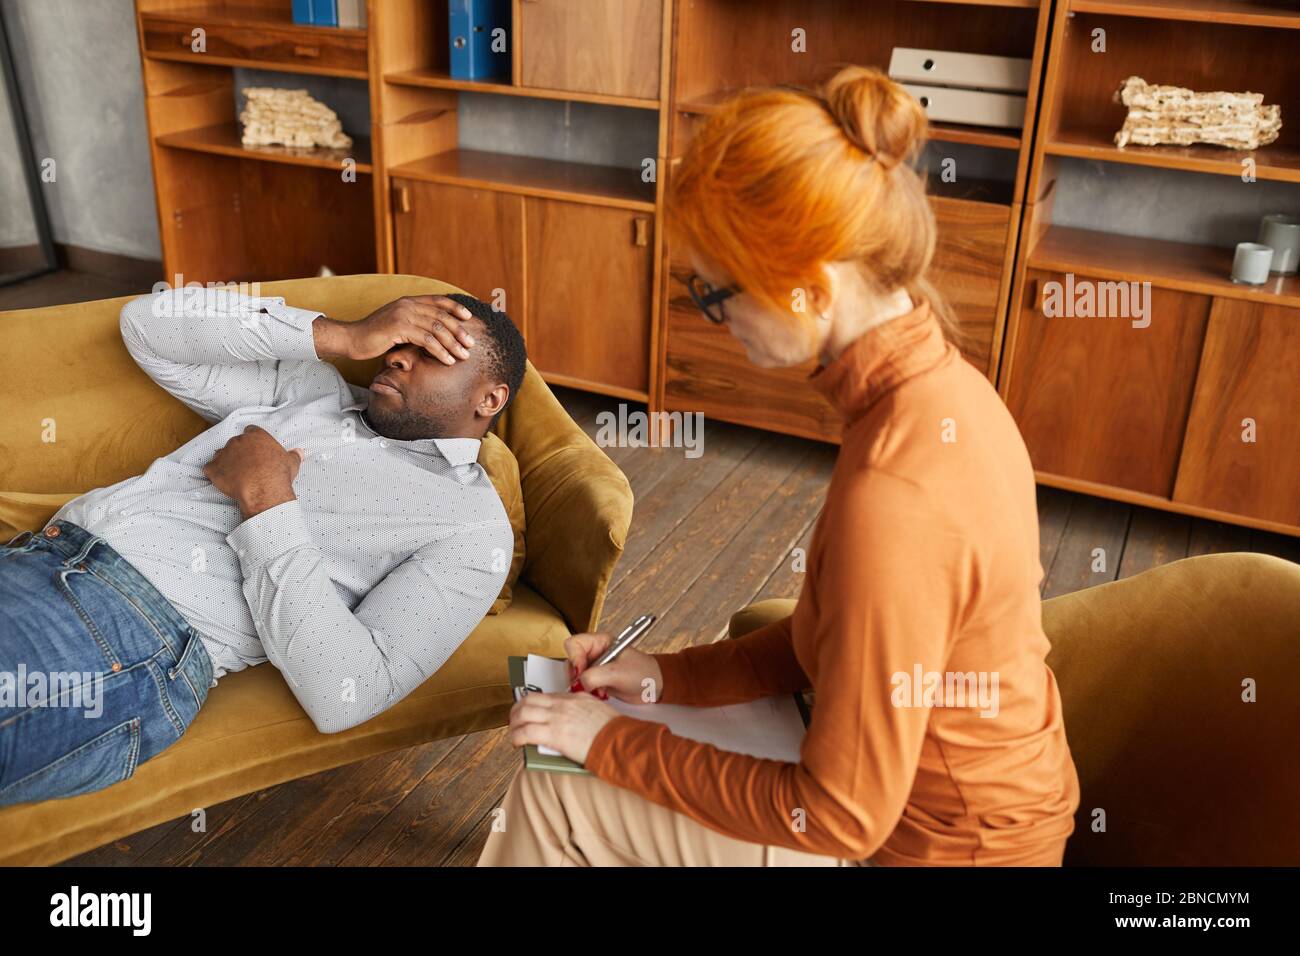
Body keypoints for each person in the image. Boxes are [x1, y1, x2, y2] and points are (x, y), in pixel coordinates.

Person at [479, 65, 1080, 866]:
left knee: (558, 784)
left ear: (813, 286)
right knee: (583, 750)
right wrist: (662, 678)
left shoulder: (895, 492)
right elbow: (820, 642)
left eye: (715, 292)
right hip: (940, 793)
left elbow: (839, 819)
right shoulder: (943, 390)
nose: (712, 318)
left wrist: (606, 743)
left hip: (932, 847)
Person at [0, 288, 525, 807]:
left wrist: (267, 499)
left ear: (489, 399)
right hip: (33, 556)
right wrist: (345, 334)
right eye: (401, 339)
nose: (398, 355)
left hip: (128, 633)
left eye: (431, 351)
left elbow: (350, 692)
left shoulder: (472, 531)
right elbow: (145, 325)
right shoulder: (311, 389)